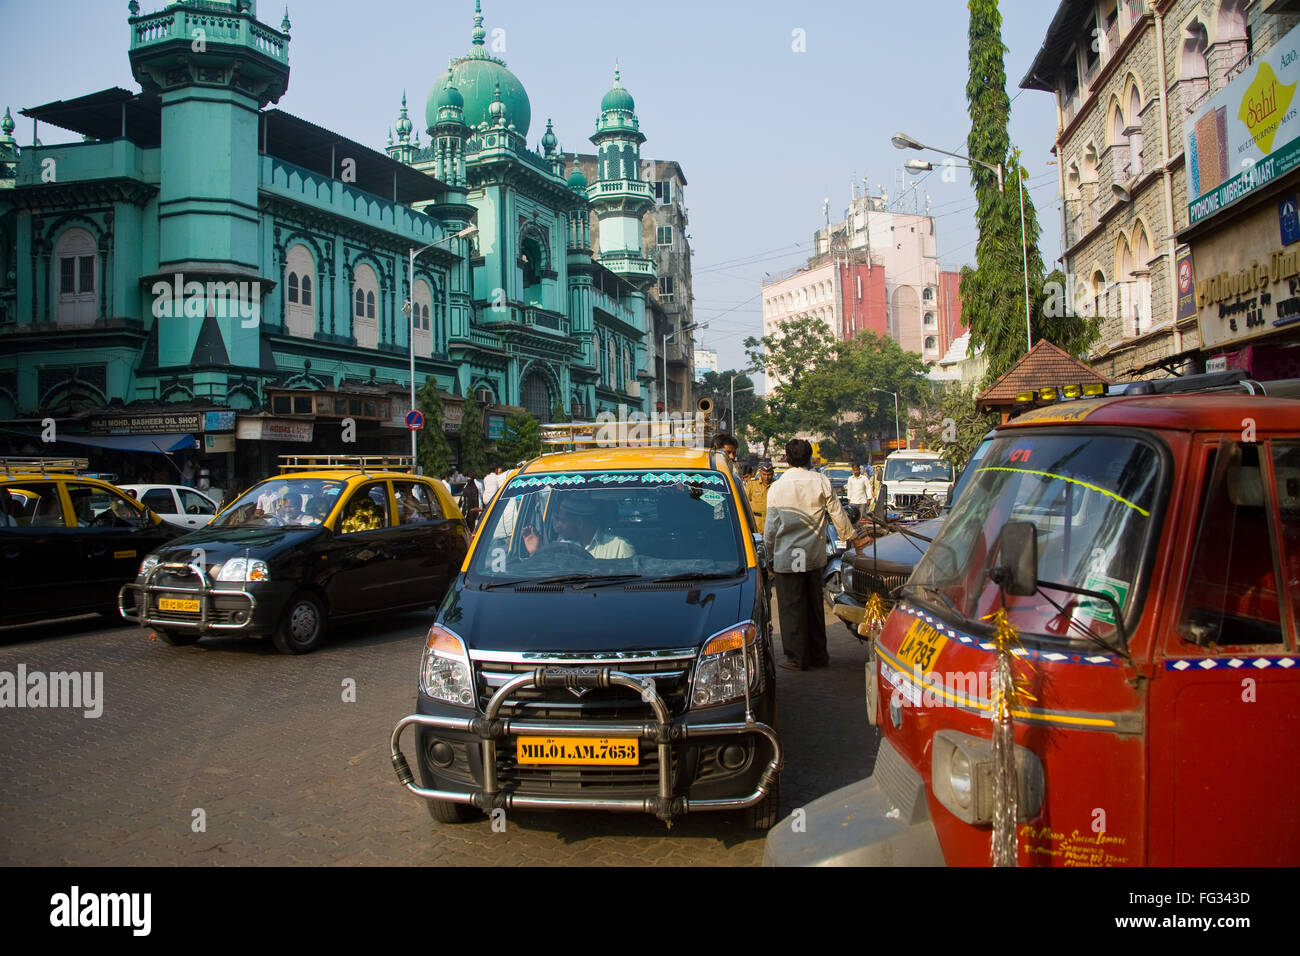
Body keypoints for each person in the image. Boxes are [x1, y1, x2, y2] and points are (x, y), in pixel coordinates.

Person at [764, 438, 868, 671]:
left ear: (787, 459)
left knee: (792, 608)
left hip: (788, 556)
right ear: (809, 458)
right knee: (814, 605)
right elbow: (838, 516)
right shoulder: (821, 481)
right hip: (812, 554)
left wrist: (768, 555)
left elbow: (771, 529)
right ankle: (819, 654)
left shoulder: (778, 487)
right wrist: (854, 539)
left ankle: (796, 658)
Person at [522, 495, 634, 559]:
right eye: (557, 520)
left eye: (562, 521)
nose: (557, 526)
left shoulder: (619, 548)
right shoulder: (558, 549)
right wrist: (535, 553)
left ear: (579, 523)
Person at [745, 459, 775, 533]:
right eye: (764, 474)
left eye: (769, 475)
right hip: (756, 525)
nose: (766, 477)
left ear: (773, 473)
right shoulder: (752, 484)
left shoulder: (776, 485)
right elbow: (745, 504)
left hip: (771, 524)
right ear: (760, 473)